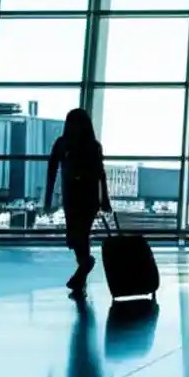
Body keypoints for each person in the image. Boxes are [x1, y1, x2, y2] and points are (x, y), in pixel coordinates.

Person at [45, 108, 111, 294]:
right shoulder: (90, 145)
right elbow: (100, 174)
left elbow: (52, 172)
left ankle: (84, 267)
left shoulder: (64, 144)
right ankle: (83, 268)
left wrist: (48, 198)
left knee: (77, 235)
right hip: (82, 196)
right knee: (79, 236)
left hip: (77, 196)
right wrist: (104, 198)